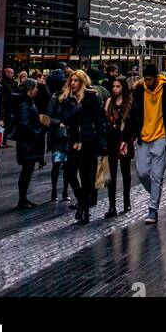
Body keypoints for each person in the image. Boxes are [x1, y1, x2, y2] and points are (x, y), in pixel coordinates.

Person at [124, 64, 166, 225]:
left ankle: (153, 209)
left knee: (156, 175)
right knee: (142, 172)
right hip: (143, 137)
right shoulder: (139, 90)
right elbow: (134, 115)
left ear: (156, 78)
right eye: (146, 79)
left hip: (161, 136)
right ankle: (156, 193)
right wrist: (126, 138)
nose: (147, 82)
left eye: (150, 79)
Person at [64, 70, 107, 225]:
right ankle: (82, 202)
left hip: (89, 140)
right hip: (74, 140)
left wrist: (102, 142)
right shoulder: (67, 98)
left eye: (76, 80)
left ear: (82, 82)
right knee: (69, 171)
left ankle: (84, 209)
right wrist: (76, 109)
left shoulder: (91, 97)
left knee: (86, 175)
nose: (73, 83)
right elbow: (65, 118)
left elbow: (100, 120)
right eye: (71, 80)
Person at [14, 78, 48, 210]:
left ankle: (23, 198)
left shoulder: (29, 103)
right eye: (35, 87)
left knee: (28, 171)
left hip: (29, 143)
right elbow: (24, 123)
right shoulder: (24, 104)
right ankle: (22, 199)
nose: (37, 90)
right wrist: (36, 132)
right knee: (26, 171)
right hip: (27, 143)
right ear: (29, 89)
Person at [104, 75, 133, 217]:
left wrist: (127, 141)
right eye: (113, 86)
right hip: (111, 139)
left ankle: (126, 200)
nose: (115, 89)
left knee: (125, 171)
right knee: (111, 174)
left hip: (124, 140)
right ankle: (112, 206)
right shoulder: (109, 101)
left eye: (118, 86)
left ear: (123, 87)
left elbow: (133, 124)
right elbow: (105, 121)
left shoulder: (129, 102)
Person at [46, 83, 75, 202]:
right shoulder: (54, 100)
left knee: (68, 166)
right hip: (57, 137)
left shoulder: (72, 99)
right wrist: (58, 123)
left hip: (69, 137)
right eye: (64, 86)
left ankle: (65, 191)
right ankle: (54, 190)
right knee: (56, 165)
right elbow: (47, 118)